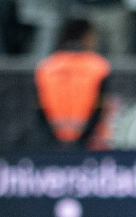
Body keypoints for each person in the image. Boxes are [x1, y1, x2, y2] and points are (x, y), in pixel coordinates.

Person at [35, 18, 110, 148]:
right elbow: (99, 107)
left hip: (51, 144)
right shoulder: (99, 66)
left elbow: (39, 109)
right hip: (90, 146)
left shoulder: (46, 66)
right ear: (86, 37)